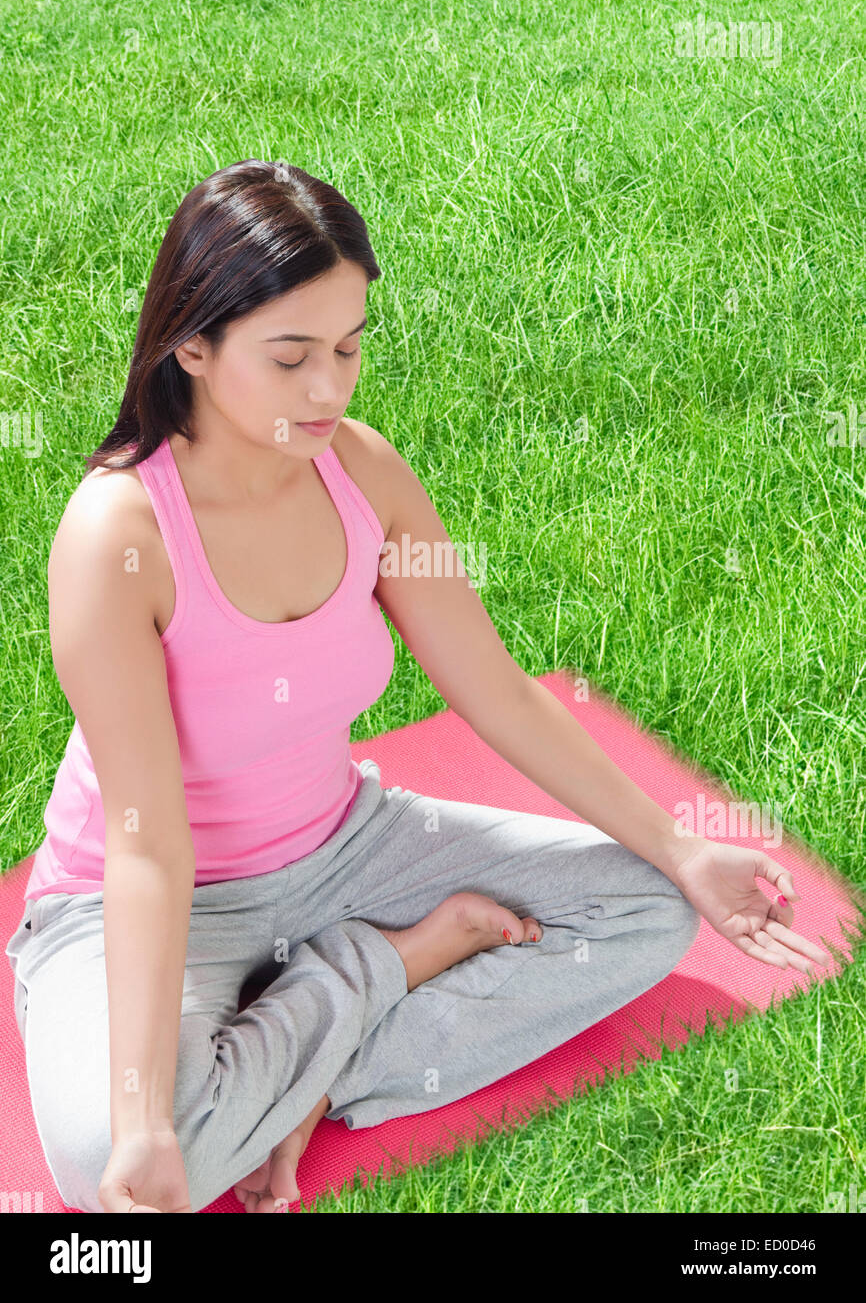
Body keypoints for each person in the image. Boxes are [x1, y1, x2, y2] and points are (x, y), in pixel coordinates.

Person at [5, 160, 829, 1215]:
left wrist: (679, 844)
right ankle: (374, 973)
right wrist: (147, 1122)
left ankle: (300, 1073)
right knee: (100, 1159)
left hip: (345, 845)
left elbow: (492, 687)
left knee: (648, 909)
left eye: (346, 349)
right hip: (157, 897)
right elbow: (145, 840)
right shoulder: (115, 536)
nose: (328, 389)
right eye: (290, 356)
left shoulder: (364, 474)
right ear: (193, 345)